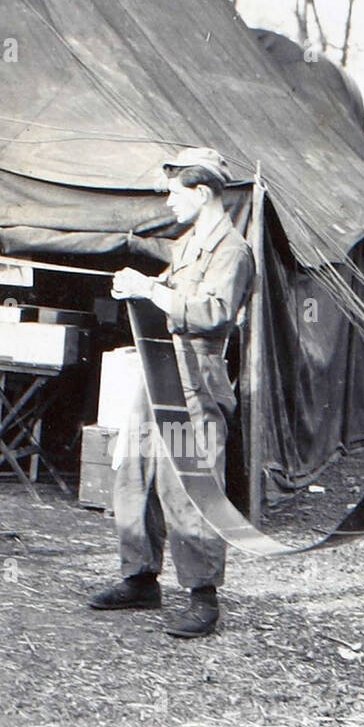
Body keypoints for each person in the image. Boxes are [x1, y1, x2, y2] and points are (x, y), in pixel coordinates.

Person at [88, 147, 255, 638]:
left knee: (189, 481)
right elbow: (166, 294)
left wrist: (152, 291)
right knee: (136, 470)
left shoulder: (232, 250)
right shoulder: (188, 244)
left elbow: (213, 312)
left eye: (175, 194)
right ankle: (140, 577)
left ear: (202, 193)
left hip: (194, 381)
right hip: (160, 370)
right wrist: (137, 287)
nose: (168, 203)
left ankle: (203, 597)